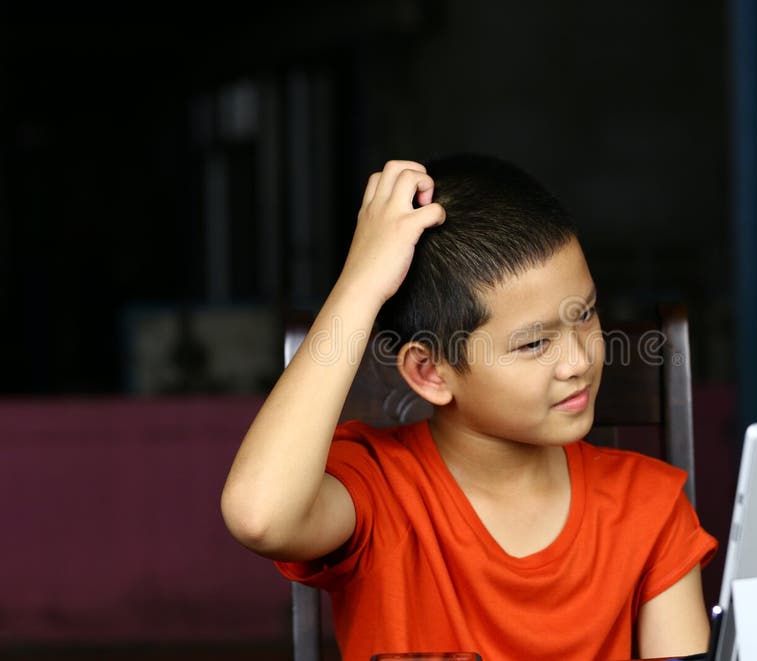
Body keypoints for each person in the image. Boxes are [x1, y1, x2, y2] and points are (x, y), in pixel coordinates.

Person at [221, 154, 717, 661]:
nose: (578, 361)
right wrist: (360, 283)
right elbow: (260, 517)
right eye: (534, 344)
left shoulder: (648, 507)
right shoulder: (378, 492)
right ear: (430, 373)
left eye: (585, 313)